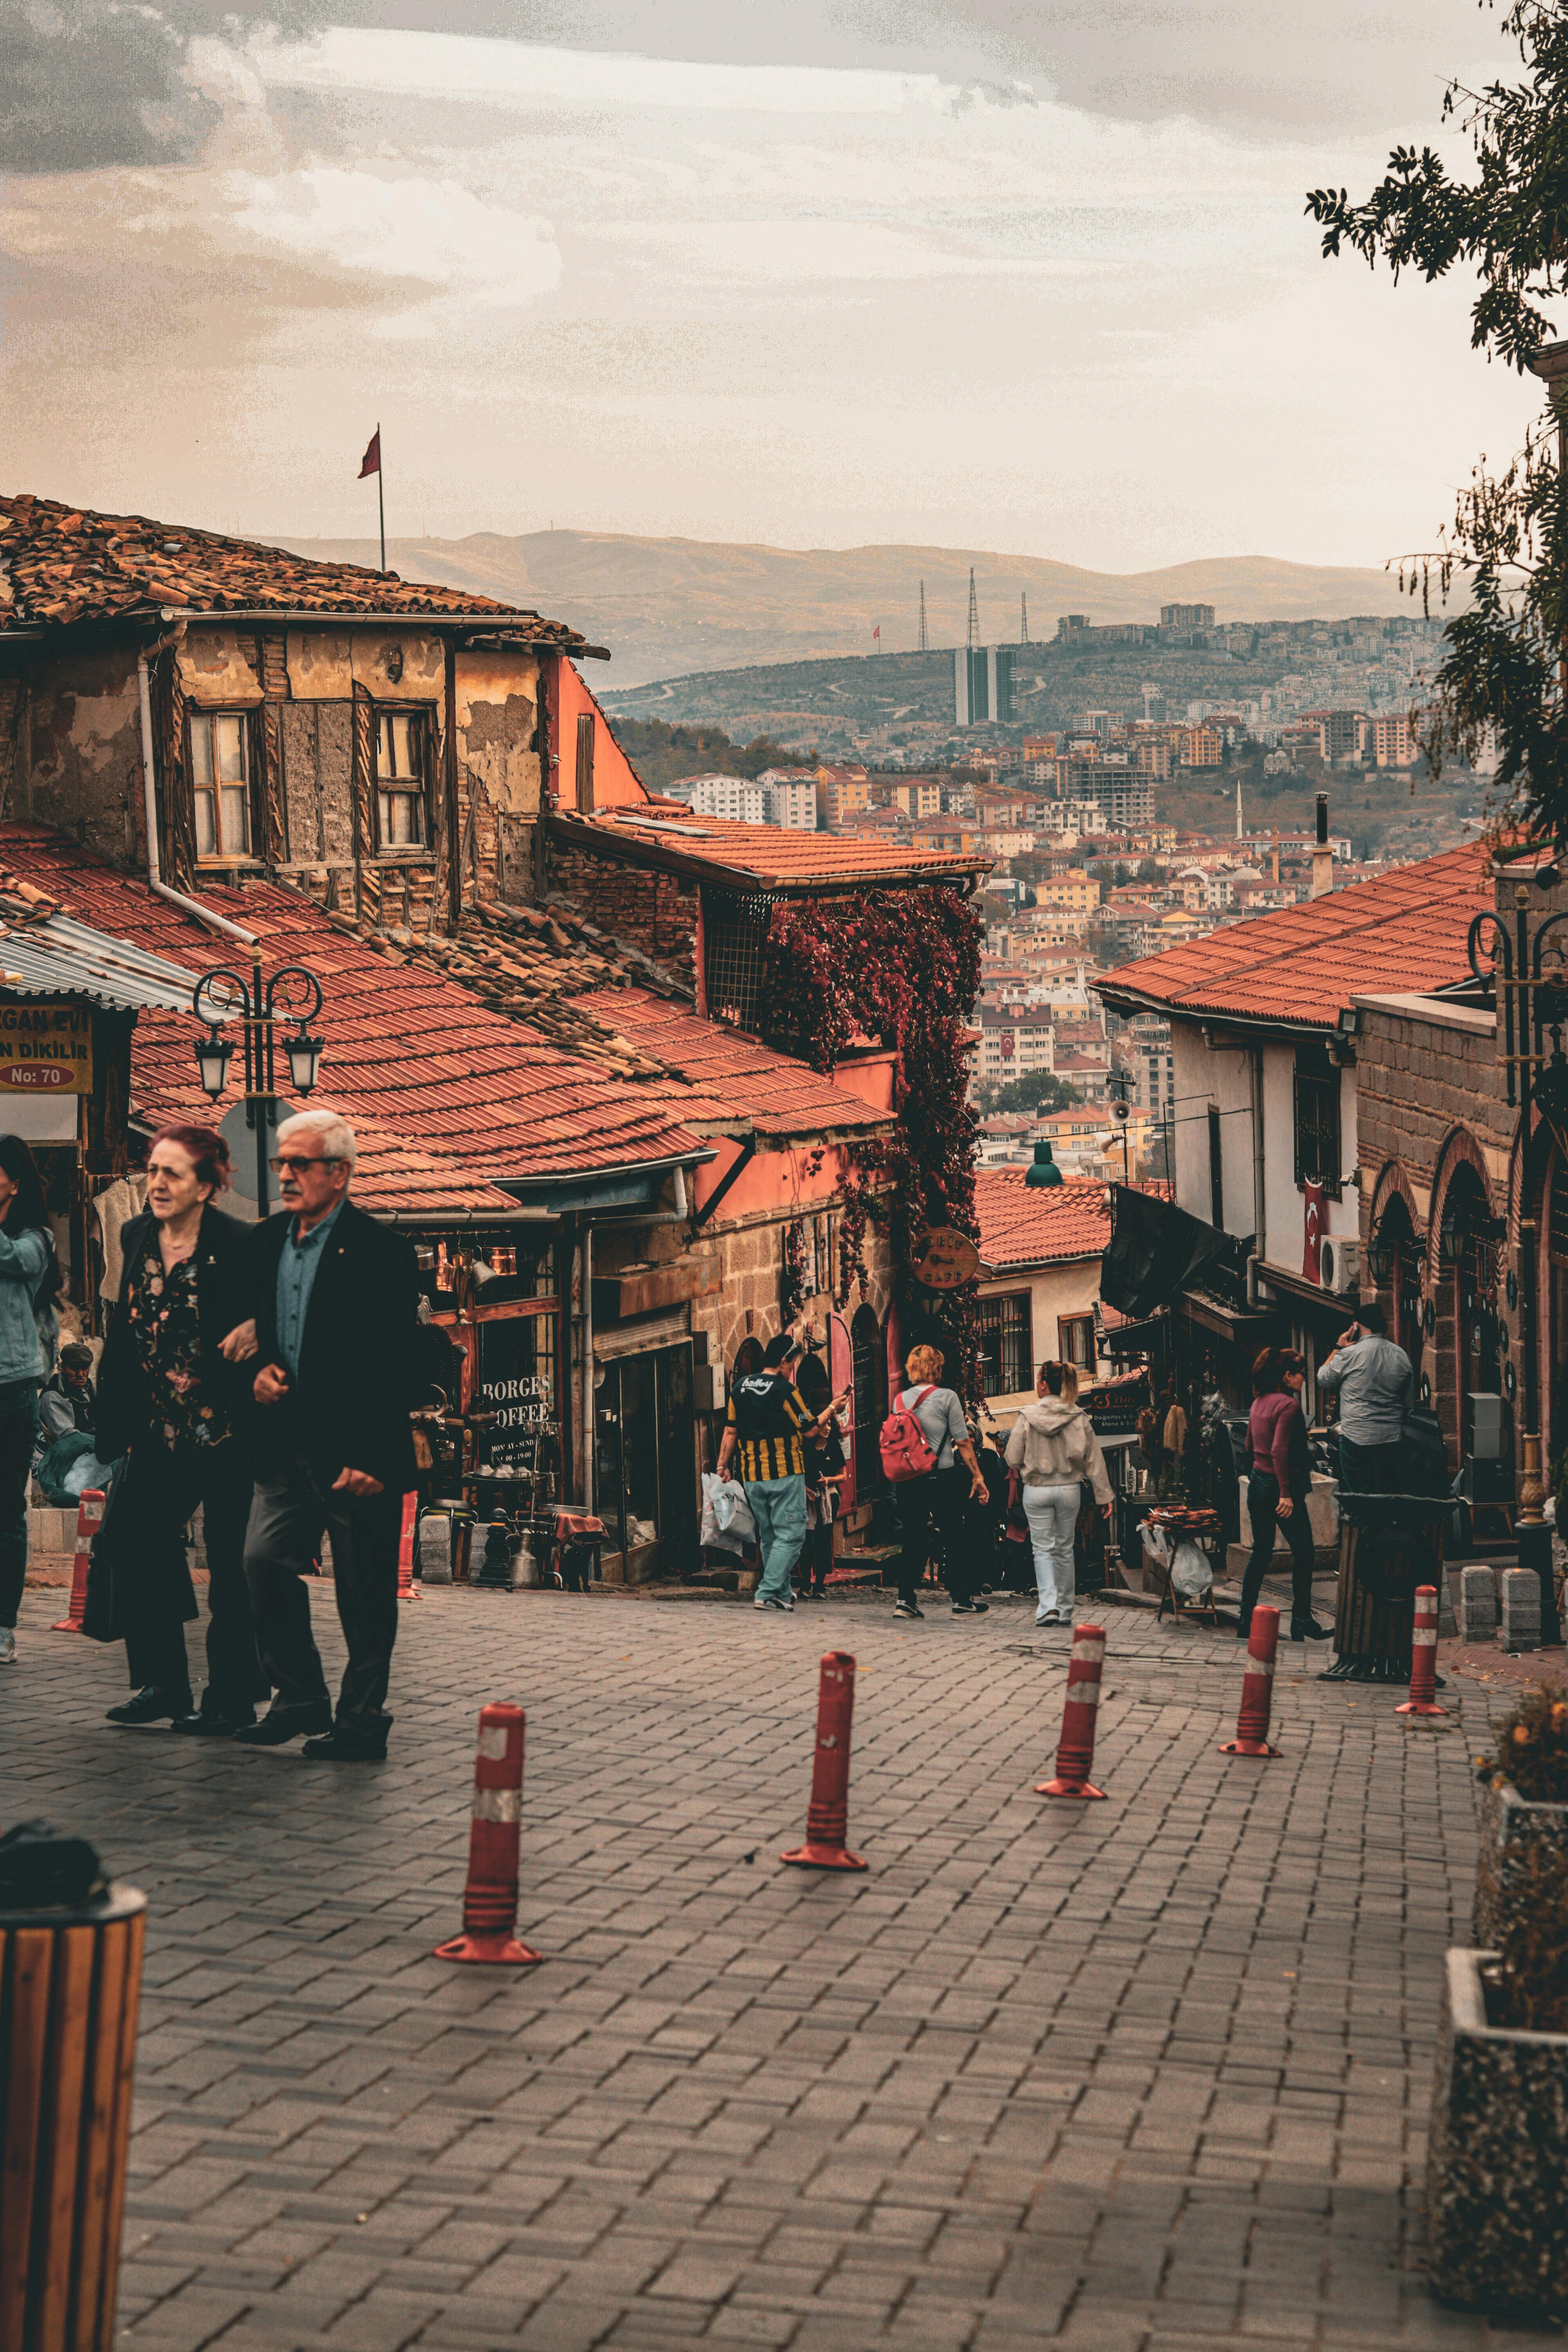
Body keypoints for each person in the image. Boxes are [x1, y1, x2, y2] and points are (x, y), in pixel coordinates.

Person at [238, 1111, 417, 1760]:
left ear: (339, 1174)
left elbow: (401, 1362)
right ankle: (298, 1697)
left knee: (364, 1595)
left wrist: (377, 1457)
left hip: (356, 1452)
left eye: (301, 1164)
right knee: (262, 1563)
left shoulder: (381, 1252)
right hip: (284, 1442)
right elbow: (246, 1331)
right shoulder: (264, 1245)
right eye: (282, 1163)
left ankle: (362, 1721)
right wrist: (256, 1372)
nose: (286, 1175)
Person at [93, 1126, 270, 1731]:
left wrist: (260, 1334)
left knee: (228, 1566)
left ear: (207, 1186)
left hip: (225, 1433)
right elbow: (124, 1330)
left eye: (173, 1173)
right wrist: (111, 1419)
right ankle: (164, 1683)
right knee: (134, 1546)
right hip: (158, 1430)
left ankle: (232, 1695)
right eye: (153, 1170)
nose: (158, 1183)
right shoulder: (136, 1233)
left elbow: (283, 1311)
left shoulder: (240, 1244)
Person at [717, 1333, 847, 1613]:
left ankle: (783, 1593)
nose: (792, 1370)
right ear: (785, 1360)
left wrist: (722, 1466)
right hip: (785, 1475)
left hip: (753, 1477)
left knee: (771, 1536)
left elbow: (730, 1430)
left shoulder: (739, 1388)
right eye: (793, 1364)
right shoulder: (786, 1390)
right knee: (792, 1535)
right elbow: (811, 1429)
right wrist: (833, 1408)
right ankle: (766, 1593)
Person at [0, 1136, 62, 1667]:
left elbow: (12, 1259)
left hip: (13, 1387)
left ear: (14, 1184)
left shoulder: (35, 1241)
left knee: (7, 1508)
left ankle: (3, 1627)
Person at [1005, 1359, 1113, 1630]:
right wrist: (1104, 1496)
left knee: (1042, 1549)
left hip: (1037, 1489)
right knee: (1065, 1549)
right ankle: (1065, 1610)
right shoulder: (1078, 1416)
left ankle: (1048, 1606)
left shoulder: (1027, 1416)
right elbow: (1095, 1460)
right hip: (1069, 1489)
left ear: (1043, 1383)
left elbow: (1012, 1458)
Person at [889, 1344, 990, 1621]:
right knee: (953, 1537)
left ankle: (905, 1600)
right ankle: (960, 1600)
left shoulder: (899, 1401)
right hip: (940, 1477)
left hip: (909, 1479)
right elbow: (964, 1442)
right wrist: (978, 1478)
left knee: (913, 1538)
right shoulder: (947, 1398)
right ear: (936, 1368)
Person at [1240, 1345, 1329, 1644]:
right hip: (1280, 1488)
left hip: (1257, 1482)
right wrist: (1286, 1493)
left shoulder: (1258, 1403)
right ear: (1288, 1375)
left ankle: (1245, 1620)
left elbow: (1251, 1445)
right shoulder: (1289, 1406)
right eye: (1301, 1373)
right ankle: (1301, 1619)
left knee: (1261, 1553)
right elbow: (1279, 1450)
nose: (1304, 1378)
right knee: (1304, 1553)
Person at [1316, 1299, 1414, 1492]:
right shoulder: (1401, 1355)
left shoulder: (1350, 1354)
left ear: (1356, 1326)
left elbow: (1323, 1379)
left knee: (1361, 1496)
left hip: (1357, 1439)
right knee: (1387, 1494)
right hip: (1392, 1439)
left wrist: (1338, 1346)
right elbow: (1408, 1404)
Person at [794, 1351, 846, 1601]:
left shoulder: (834, 1448)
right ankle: (805, 1584)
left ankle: (820, 1587)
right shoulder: (805, 1448)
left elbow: (843, 1476)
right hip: (808, 1499)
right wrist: (804, 1488)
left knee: (824, 1541)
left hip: (828, 1499)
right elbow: (798, 1472)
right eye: (823, 1425)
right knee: (807, 1543)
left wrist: (829, 1482)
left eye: (829, 1426)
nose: (826, 1428)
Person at [39, 1342, 96, 1445]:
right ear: (63, 1367)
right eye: (74, 1368)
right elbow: (68, 1438)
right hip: (74, 1452)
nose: (80, 1374)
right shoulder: (53, 1396)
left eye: (85, 1368)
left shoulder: (87, 1386)